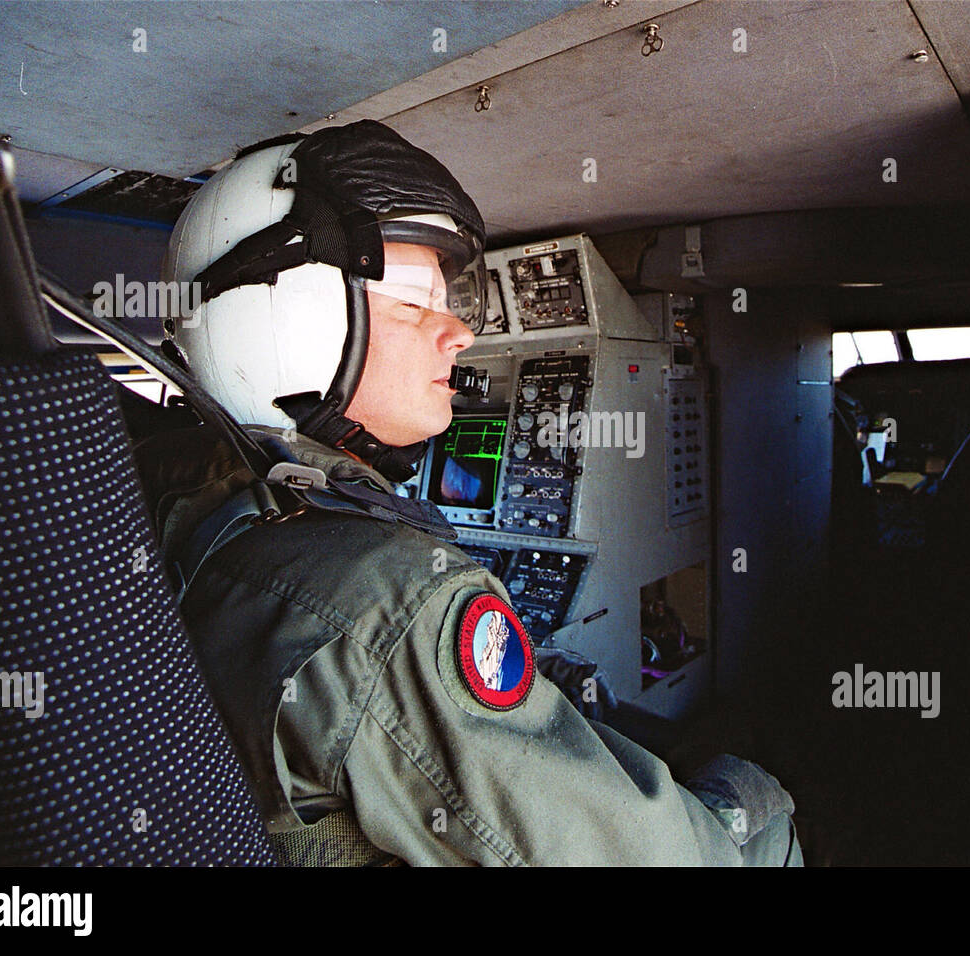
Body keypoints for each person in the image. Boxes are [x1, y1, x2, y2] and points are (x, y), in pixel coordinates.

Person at [138, 119, 801, 866]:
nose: (456, 333)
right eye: (415, 303)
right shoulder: (389, 601)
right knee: (763, 812)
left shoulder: (180, 511)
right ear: (287, 320)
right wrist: (747, 793)